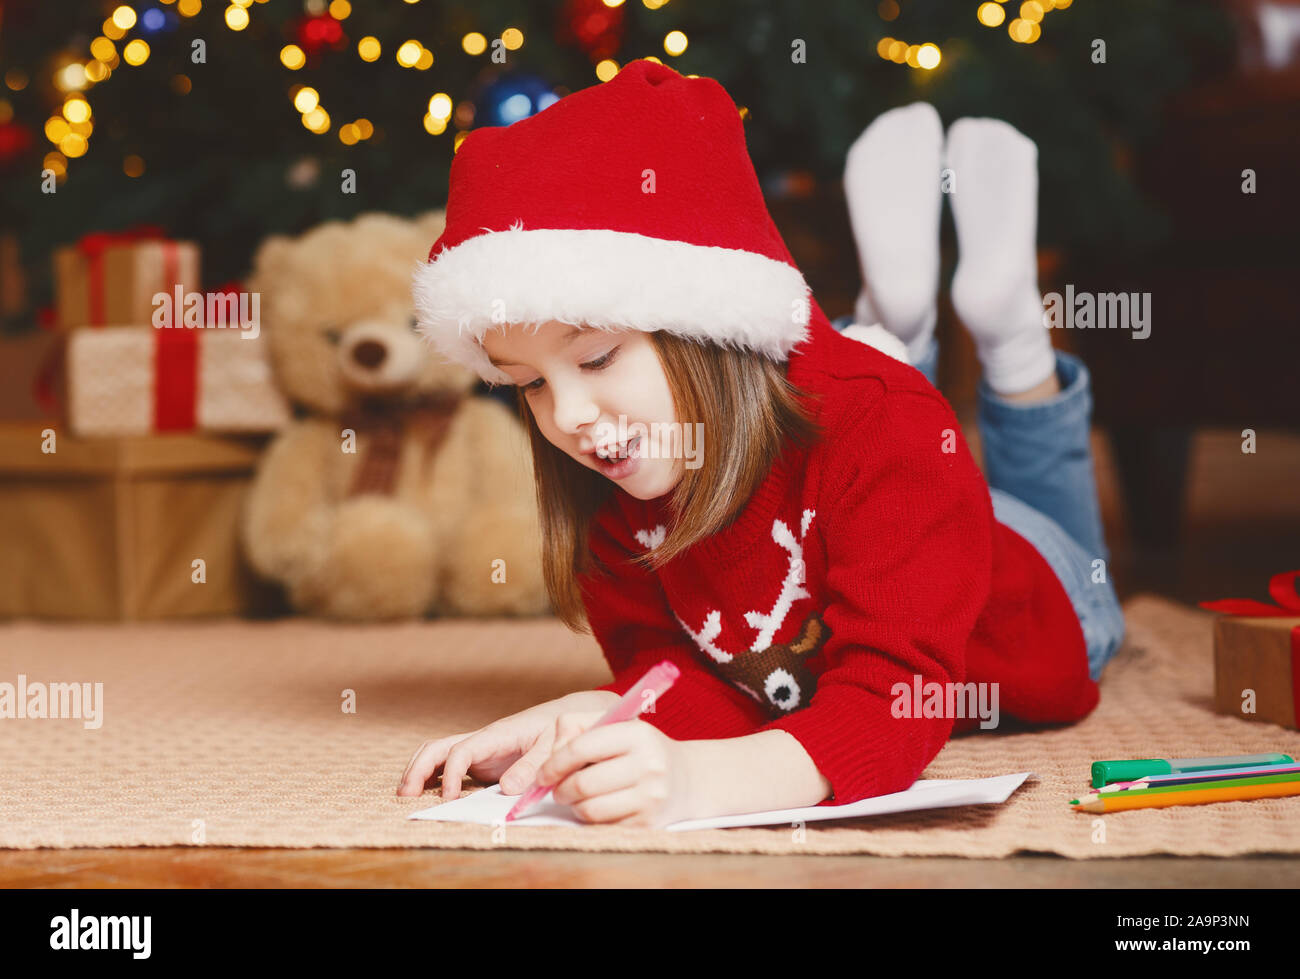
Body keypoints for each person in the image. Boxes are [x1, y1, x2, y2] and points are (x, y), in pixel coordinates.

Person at [396, 61, 1124, 829]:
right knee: (871, 419)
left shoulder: (891, 428)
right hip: (873, 492)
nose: (568, 414)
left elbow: (896, 701)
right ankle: (898, 326)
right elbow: (713, 678)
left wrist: (701, 783)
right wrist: (603, 713)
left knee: (955, 454)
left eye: (597, 358)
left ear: (706, 324)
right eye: (528, 385)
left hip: (1042, 589)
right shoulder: (617, 472)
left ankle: (1011, 341)